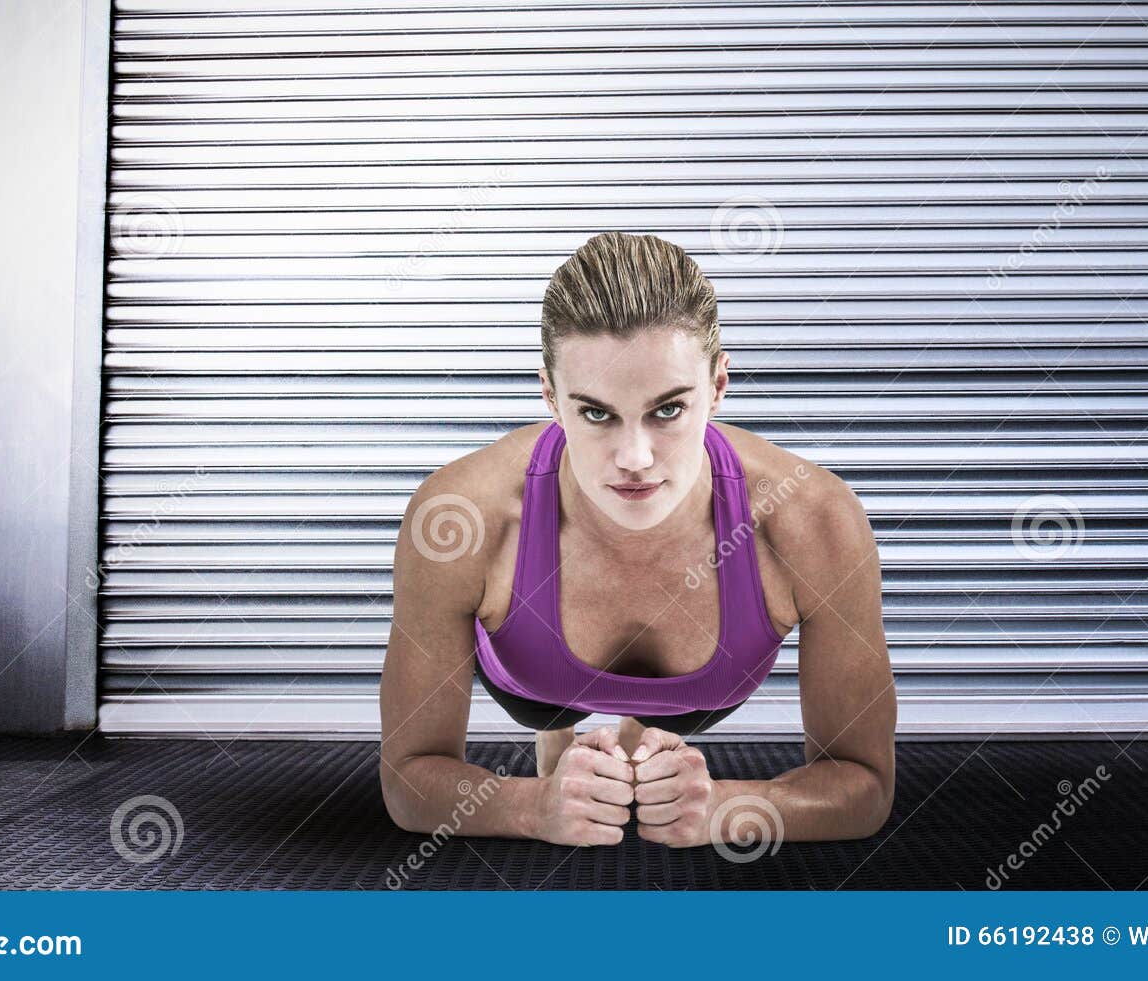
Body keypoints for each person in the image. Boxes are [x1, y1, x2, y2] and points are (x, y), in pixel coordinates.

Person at [380, 231, 895, 848]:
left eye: (668, 410)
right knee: (552, 714)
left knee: (651, 736)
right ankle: (563, 742)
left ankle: (623, 740)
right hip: (534, 684)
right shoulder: (464, 518)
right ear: (550, 396)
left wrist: (726, 805)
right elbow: (407, 781)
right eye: (597, 413)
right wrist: (533, 805)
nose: (635, 458)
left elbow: (865, 785)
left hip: (695, 696)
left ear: (719, 387)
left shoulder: (814, 521)